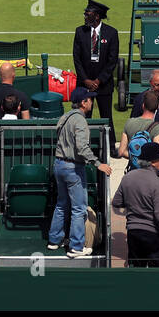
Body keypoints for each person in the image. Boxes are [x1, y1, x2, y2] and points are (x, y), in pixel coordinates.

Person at [49, 88, 112, 257]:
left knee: (62, 204)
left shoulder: (65, 116)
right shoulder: (80, 121)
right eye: (90, 99)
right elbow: (82, 147)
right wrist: (98, 164)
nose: (92, 102)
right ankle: (76, 247)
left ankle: (55, 240)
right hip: (73, 168)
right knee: (79, 208)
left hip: (59, 165)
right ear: (83, 102)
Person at [113, 141, 159, 267]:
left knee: (137, 274)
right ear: (154, 162)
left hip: (133, 233)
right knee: (157, 277)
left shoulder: (128, 177)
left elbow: (117, 202)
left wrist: (134, 204)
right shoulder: (157, 182)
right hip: (154, 235)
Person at [72, 0, 120, 152]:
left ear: (97, 16)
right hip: (85, 83)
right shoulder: (80, 32)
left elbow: (112, 61)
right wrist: (85, 79)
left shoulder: (111, 33)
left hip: (103, 84)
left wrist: (99, 80)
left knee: (106, 116)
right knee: (84, 116)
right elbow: (76, 58)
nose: (85, 15)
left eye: (88, 13)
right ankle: (83, 145)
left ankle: (110, 146)